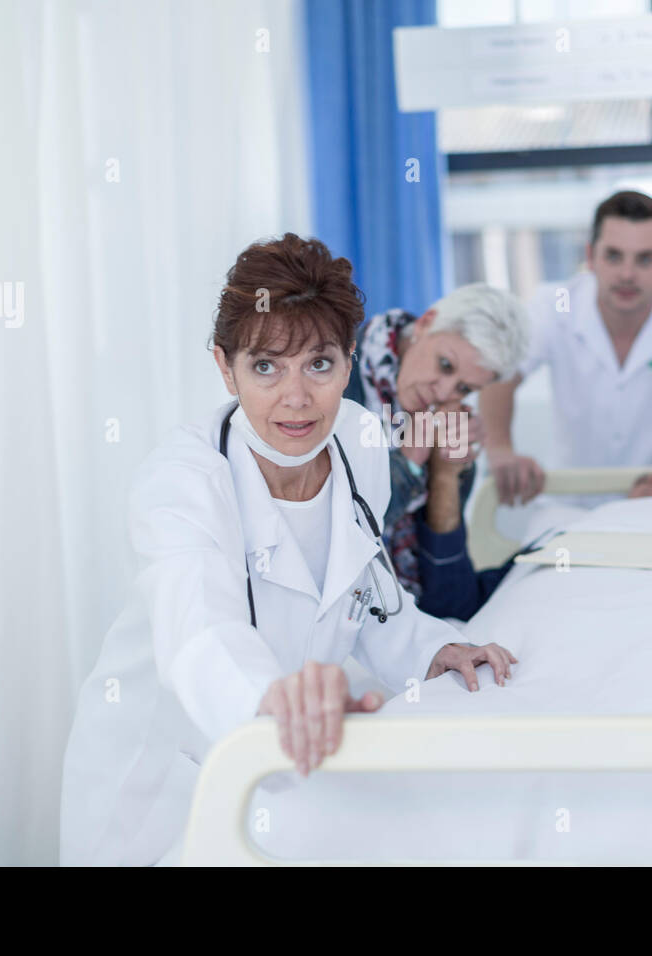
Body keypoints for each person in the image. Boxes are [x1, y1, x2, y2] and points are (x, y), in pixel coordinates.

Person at [61, 235, 518, 865]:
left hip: (282, 771)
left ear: (350, 362)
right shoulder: (181, 483)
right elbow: (201, 633)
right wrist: (274, 702)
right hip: (160, 786)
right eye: (266, 366)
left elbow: (369, 598)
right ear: (225, 367)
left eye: (320, 364)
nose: (297, 398)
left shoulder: (359, 443)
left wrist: (436, 648)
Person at [479, 190, 652, 505]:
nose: (627, 275)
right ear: (590, 257)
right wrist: (500, 448)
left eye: (644, 259)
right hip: (570, 507)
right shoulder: (553, 306)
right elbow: (500, 373)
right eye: (614, 256)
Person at [343, 284, 529, 620]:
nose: (442, 391)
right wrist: (410, 462)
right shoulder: (333, 369)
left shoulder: (446, 422)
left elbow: (447, 597)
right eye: (445, 365)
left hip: (401, 616)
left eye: (464, 388)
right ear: (427, 322)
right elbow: (338, 538)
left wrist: (446, 473)